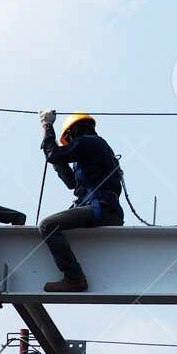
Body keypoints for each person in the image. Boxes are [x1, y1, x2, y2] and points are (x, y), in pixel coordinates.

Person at [37, 110, 124, 293]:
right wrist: (56, 160)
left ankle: (74, 278)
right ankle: (73, 276)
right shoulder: (93, 152)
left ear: (73, 133)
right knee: (51, 224)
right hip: (103, 209)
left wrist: (47, 127)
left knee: (47, 225)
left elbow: (55, 154)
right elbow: (70, 182)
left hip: (101, 207)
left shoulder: (89, 143)